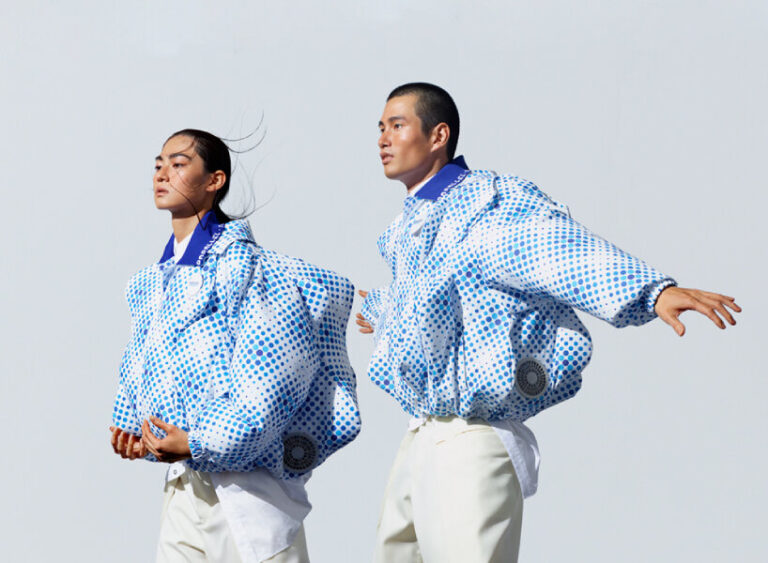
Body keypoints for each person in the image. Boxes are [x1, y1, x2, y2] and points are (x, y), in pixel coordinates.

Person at [356, 83, 741, 562]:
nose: (382, 139)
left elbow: (558, 250)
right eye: (379, 127)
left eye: (396, 125)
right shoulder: (419, 219)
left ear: (438, 136)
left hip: (473, 436)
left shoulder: (487, 204)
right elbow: (443, 296)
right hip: (422, 433)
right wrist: (383, 311)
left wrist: (652, 291)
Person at [109, 129, 361, 563]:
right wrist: (135, 425)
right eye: (158, 164)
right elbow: (143, 362)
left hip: (247, 495)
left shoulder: (254, 271)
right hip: (182, 485)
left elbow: (275, 375)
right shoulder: (154, 282)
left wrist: (201, 440)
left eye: (179, 163)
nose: (162, 173)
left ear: (215, 180)